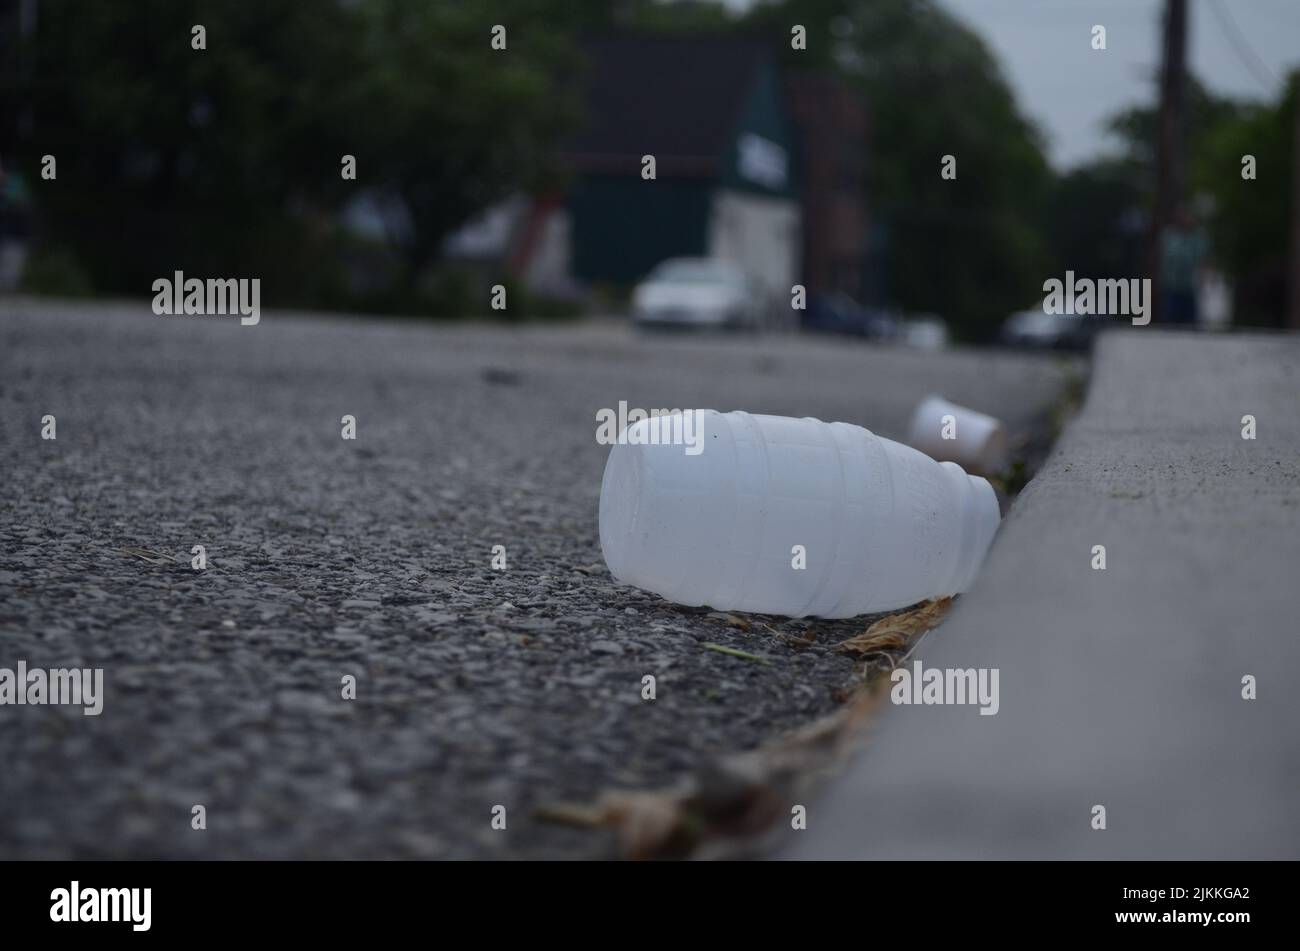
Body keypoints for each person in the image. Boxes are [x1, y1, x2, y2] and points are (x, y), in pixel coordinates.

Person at [1159, 205, 1209, 325]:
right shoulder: (1169, 235)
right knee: (1170, 320)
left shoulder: (1199, 237)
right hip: (1171, 286)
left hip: (1190, 287)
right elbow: (1162, 258)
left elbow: (1204, 260)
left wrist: (1203, 280)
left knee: (1189, 323)